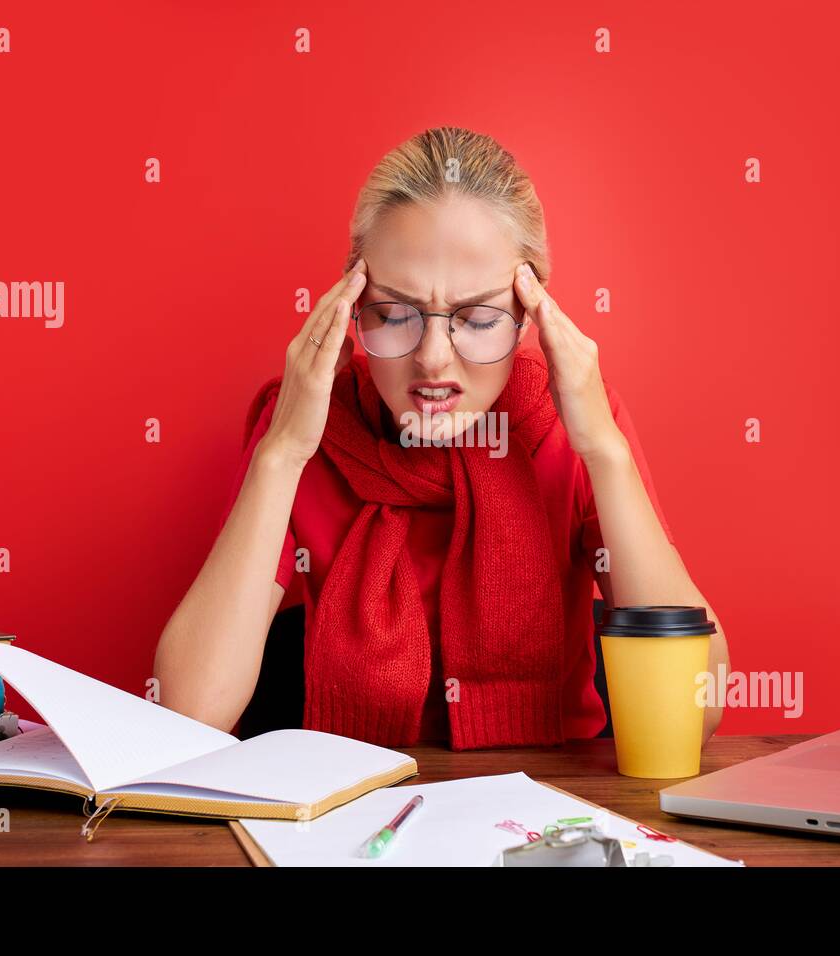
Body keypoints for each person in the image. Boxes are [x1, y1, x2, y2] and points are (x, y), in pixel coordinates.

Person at [154, 126, 730, 750]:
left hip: (548, 810)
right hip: (355, 803)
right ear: (352, 303)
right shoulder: (303, 423)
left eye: (477, 319)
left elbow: (696, 710)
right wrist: (282, 453)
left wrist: (604, 452)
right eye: (394, 314)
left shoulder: (579, 424)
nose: (433, 359)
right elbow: (187, 714)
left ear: (530, 310)